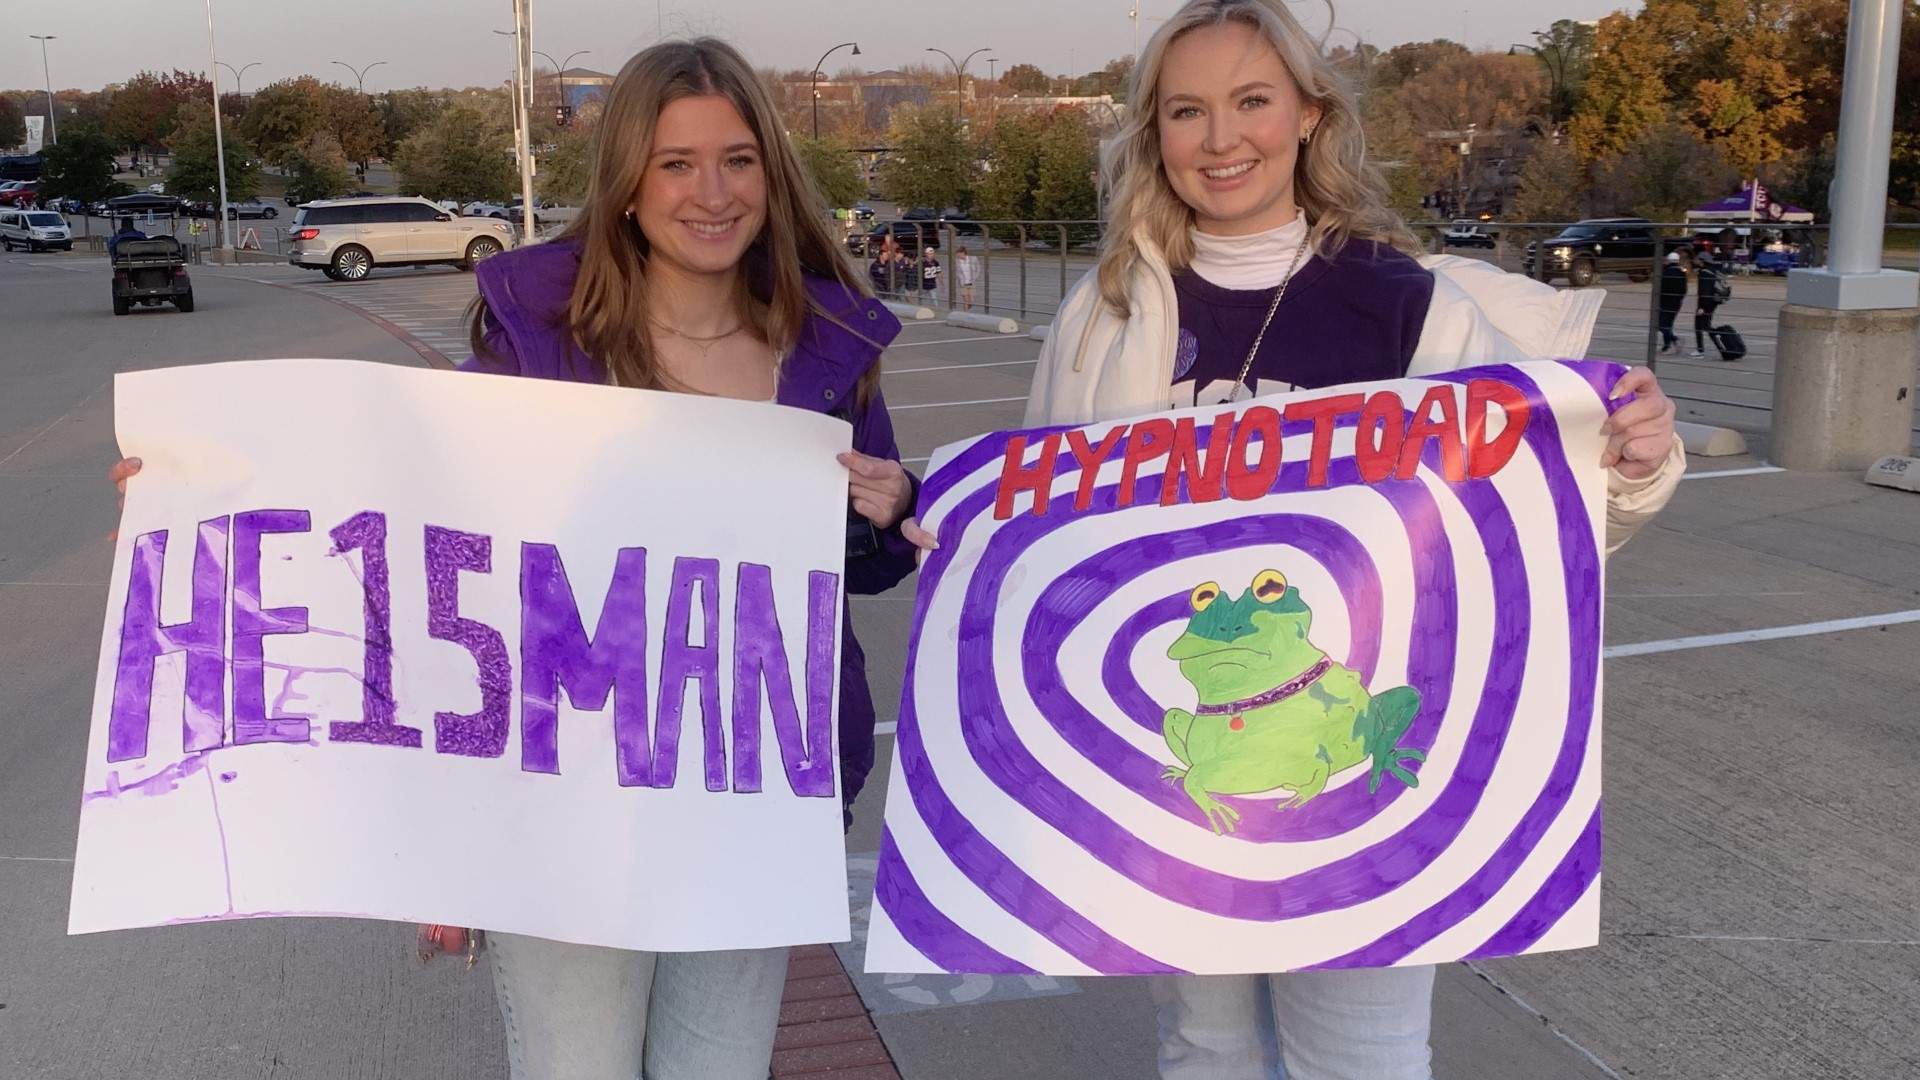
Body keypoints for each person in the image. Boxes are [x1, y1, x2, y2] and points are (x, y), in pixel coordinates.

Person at [114, 36, 934, 1080]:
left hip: (751, 796)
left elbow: (866, 569)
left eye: (737, 159)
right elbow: (412, 523)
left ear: (772, 172)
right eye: (675, 162)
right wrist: (194, 499)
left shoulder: (823, 347)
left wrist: (887, 505)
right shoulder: (540, 342)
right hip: (566, 798)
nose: (712, 192)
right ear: (627, 184)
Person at [1021, 3, 1684, 1078]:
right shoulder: (1103, 316)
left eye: (1251, 101)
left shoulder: (1407, 307)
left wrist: (1636, 464)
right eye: (1187, 111)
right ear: (1154, 135)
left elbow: (1525, 521)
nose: (1221, 137)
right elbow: (1043, 529)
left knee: (1364, 1058)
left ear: (1309, 115)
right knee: (1203, 1043)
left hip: (1351, 768)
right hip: (1179, 757)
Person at [1691, 248, 1726, 359]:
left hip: (1706, 303)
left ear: (1703, 261)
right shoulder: (1713, 271)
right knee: (1706, 326)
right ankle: (1720, 348)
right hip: (1712, 302)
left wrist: (1702, 307)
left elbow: (1705, 292)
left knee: (1701, 326)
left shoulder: (1705, 273)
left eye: (1699, 259)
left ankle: (1701, 350)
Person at [1658, 248, 1689, 353]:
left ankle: (1675, 339)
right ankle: (1667, 345)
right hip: (1676, 302)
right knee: (1668, 324)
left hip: (1666, 302)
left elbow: (1661, 288)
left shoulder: (1665, 272)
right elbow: (1684, 289)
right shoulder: (1681, 272)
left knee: (1661, 325)